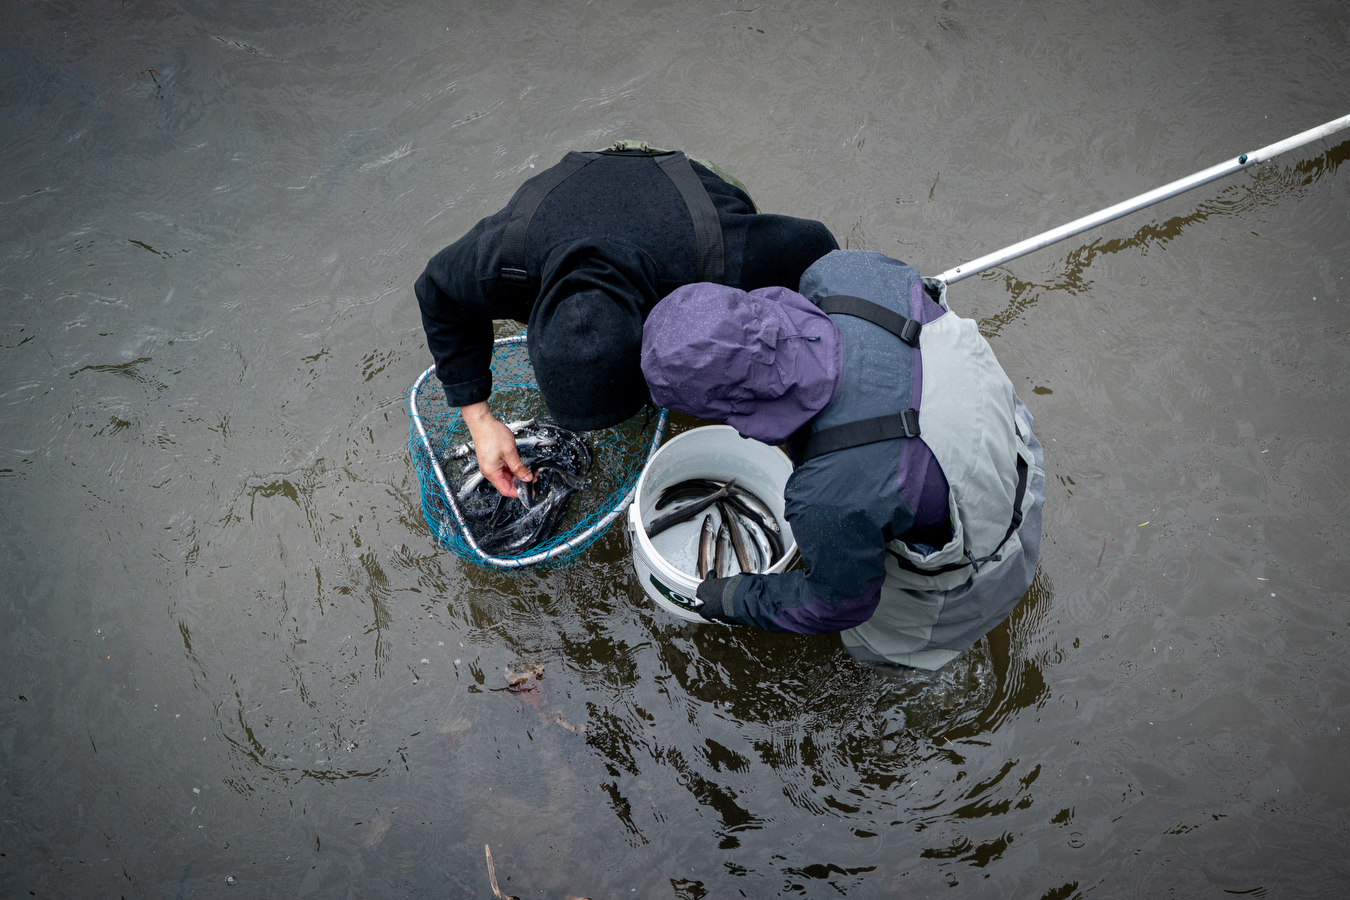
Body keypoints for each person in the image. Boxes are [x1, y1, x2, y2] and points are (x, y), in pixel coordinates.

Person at [639, 249, 1046, 670]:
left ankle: (933, 682)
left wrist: (733, 599)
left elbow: (839, 605)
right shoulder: (840, 273)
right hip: (1012, 439)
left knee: (882, 648)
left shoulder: (826, 494)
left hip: (989, 550)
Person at [414, 141, 839, 497]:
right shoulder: (505, 263)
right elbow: (436, 291)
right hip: (572, 188)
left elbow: (816, 247)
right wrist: (480, 422)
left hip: (684, 186)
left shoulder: (718, 260)